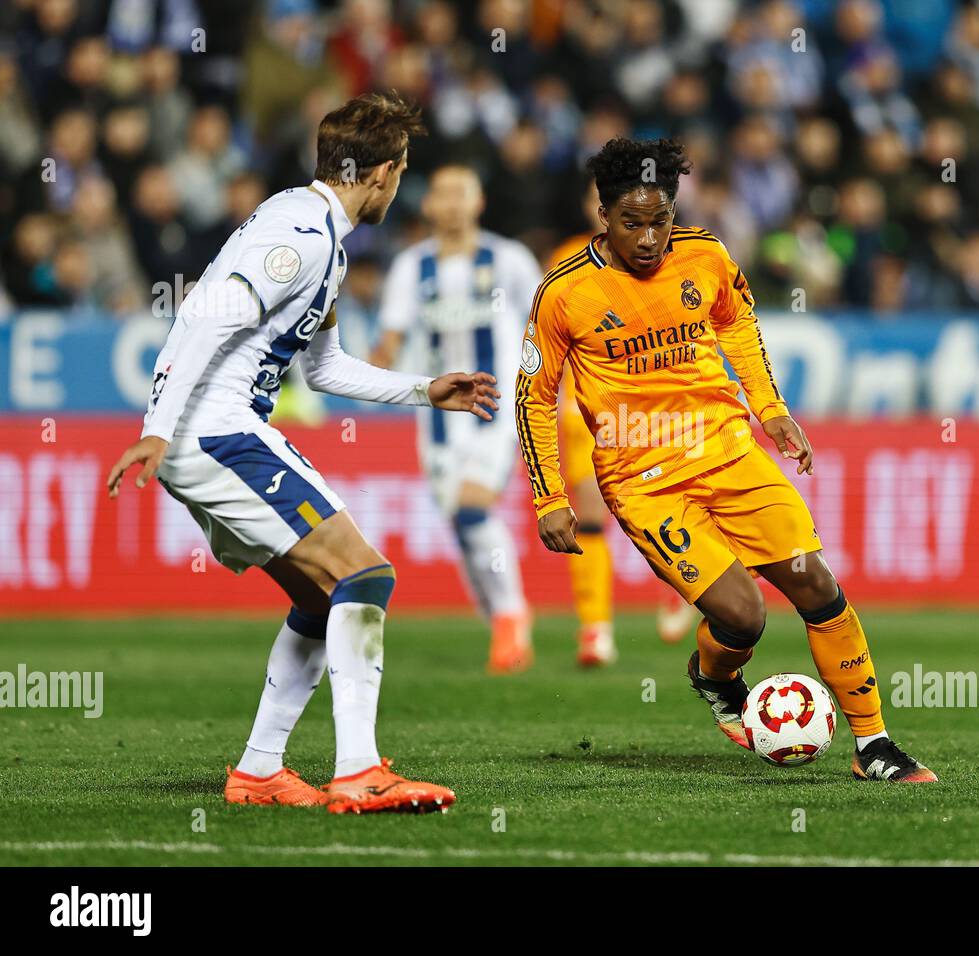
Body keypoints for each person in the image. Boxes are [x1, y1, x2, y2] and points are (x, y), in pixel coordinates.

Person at [106, 93, 500, 813]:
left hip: (218, 431)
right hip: (215, 431)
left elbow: (323, 370)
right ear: (382, 173)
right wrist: (158, 428)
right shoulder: (301, 235)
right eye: (403, 170)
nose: (400, 185)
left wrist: (424, 388)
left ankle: (259, 772)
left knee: (323, 594)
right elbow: (202, 313)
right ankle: (358, 771)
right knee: (367, 575)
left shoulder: (320, 231)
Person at [515, 138, 937, 783]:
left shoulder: (705, 253)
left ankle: (873, 743)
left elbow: (738, 321)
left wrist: (769, 409)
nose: (650, 238)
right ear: (603, 218)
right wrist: (550, 499)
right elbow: (534, 397)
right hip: (645, 481)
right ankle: (714, 676)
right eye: (633, 223)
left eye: (661, 220)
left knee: (816, 583)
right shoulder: (563, 293)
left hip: (729, 452)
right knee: (744, 616)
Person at [370, 165, 539, 673]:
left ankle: (511, 614)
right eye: (440, 193)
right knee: (461, 526)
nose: (450, 203)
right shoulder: (410, 268)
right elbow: (391, 341)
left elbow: (548, 321)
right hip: (438, 420)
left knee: (471, 511)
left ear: (478, 201)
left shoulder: (508, 260)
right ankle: (503, 623)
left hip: (495, 409)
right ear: (427, 205)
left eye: (460, 193)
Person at [546, 178, 696, 667]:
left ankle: (685, 581)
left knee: (660, 507)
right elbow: (554, 333)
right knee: (590, 514)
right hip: (589, 406)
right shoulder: (565, 258)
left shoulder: (668, 257)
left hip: (654, 407)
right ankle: (596, 629)